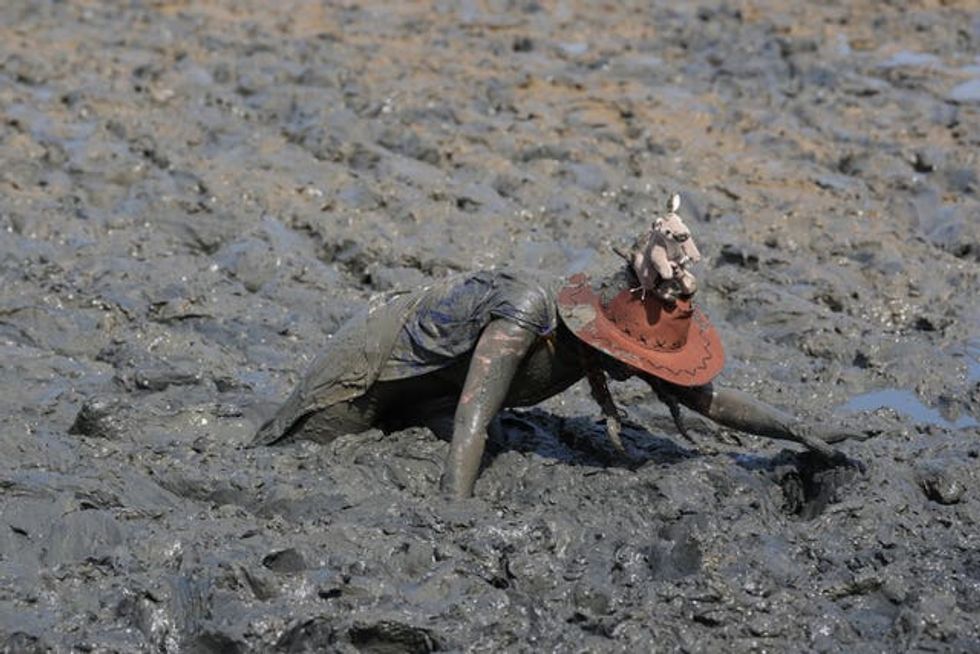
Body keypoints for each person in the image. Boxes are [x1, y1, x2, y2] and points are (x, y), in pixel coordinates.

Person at [250, 264, 865, 499]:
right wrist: (454, 513)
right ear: (601, 334)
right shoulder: (527, 311)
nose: (636, 371)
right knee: (292, 462)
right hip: (363, 383)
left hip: (427, 400)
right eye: (631, 358)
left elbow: (709, 401)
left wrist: (802, 432)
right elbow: (475, 414)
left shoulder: (607, 338)